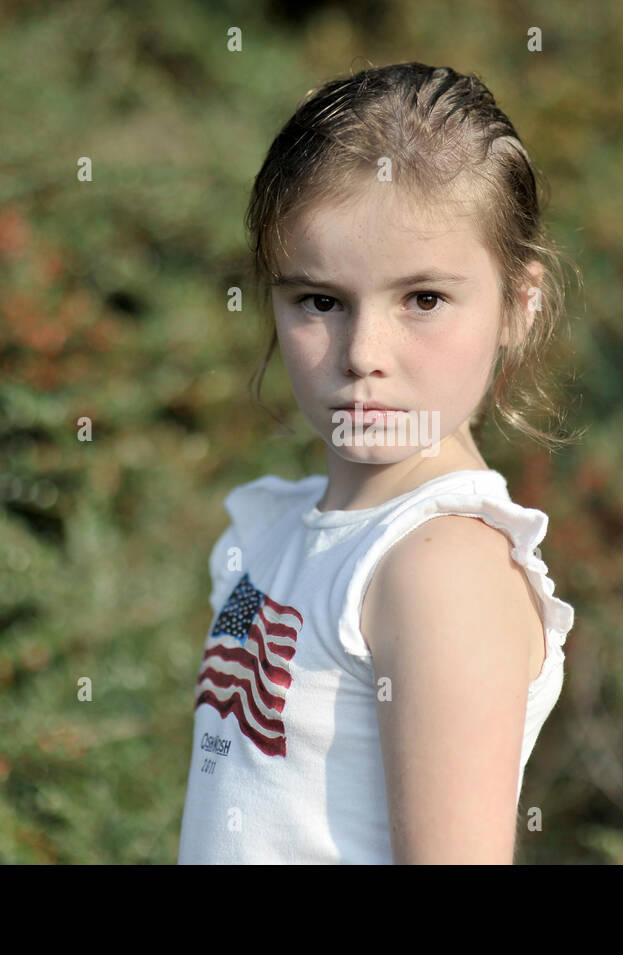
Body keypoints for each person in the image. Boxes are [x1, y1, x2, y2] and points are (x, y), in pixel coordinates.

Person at [177, 62, 580, 864]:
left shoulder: (440, 567)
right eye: (319, 300)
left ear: (520, 304)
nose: (364, 354)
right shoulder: (279, 527)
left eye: (424, 299)